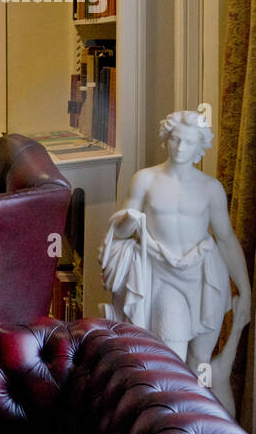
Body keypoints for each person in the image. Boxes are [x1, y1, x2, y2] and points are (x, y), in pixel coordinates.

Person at [99, 109, 251, 415]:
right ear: (167, 140)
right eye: (175, 140)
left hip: (206, 275)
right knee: (172, 358)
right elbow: (125, 229)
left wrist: (245, 290)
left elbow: (226, 239)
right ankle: (167, 427)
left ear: (200, 147)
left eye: (188, 142)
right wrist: (128, 222)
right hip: (163, 273)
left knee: (201, 362)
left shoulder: (210, 189)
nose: (180, 148)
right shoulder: (146, 179)